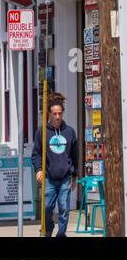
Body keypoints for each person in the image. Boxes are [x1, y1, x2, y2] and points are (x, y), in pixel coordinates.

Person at [33, 101, 79, 237]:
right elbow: (36, 153)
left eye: (60, 113)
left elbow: (75, 155)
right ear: (49, 115)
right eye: (54, 114)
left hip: (66, 177)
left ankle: (61, 234)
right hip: (49, 177)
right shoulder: (42, 132)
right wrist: (38, 170)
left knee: (64, 208)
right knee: (47, 207)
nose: (57, 117)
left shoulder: (70, 132)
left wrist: (75, 175)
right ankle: (48, 229)